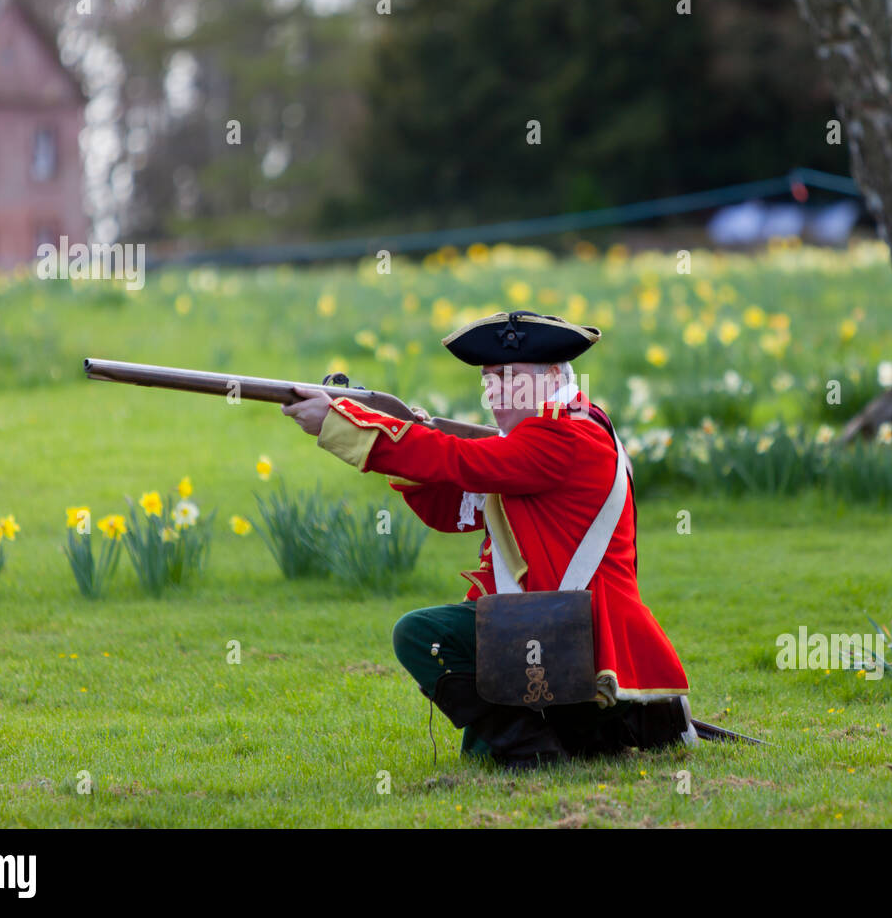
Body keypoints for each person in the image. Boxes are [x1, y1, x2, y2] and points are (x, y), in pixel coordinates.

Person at [281, 310, 694, 768]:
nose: (496, 391)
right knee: (478, 735)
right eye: (490, 379)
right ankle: (551, 733)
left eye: (511, 378)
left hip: (583, 641)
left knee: (421, 635)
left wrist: (343, 421)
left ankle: (532, 748)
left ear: (554, 375)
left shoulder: (563, 433)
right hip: (552, 626)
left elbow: (457, 459)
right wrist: (406, 439)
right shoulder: (555, 427)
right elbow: (451, 509)